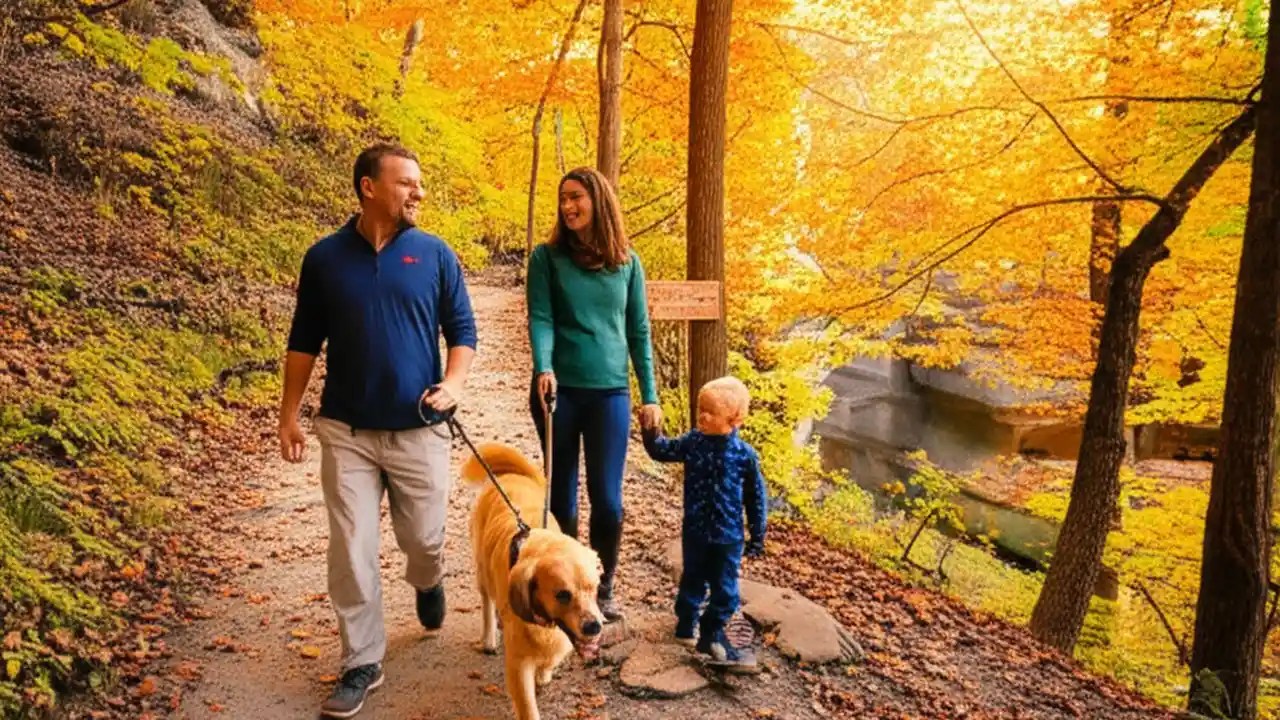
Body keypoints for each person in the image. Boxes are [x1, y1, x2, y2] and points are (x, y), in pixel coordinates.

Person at [278, 142, 477, 719]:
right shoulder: (324, 258)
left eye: (420, 183)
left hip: (419, 427)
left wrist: (455, 383)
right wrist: (290, 413)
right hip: (346, 429)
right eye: (407, 183)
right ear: (369, 187)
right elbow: (303, 341)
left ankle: (428, 578)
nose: (419, 192)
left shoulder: (435, 254)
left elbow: (462, 329)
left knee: (423, 538)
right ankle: (361, 659)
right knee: (352, 544)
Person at [525, 166, 661, 622]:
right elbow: (541, 317)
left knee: (608, 499)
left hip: (611, 395)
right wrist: (544, 366)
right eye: (563, 197)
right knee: (562, 497)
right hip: (558, 393)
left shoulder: (627, 263)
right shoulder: (546, 259)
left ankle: (601, 588)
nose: (568, 206)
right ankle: (561, 590)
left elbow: (639, 332)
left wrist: (651, 395)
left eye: (577, 197)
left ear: (598, 202)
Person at [641, 375, 767, 671]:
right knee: (692, 579)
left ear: (734, 418)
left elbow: (756, 497)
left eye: (711, 412)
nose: (702, 416)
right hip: (695, 530)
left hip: (729, 536)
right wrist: (650, 431)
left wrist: (758, 533)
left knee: (726, 590)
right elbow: (662, 450)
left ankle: (711, 633)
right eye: (701, 409)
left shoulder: (744, 455)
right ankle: (686, 625)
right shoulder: (693, 442)